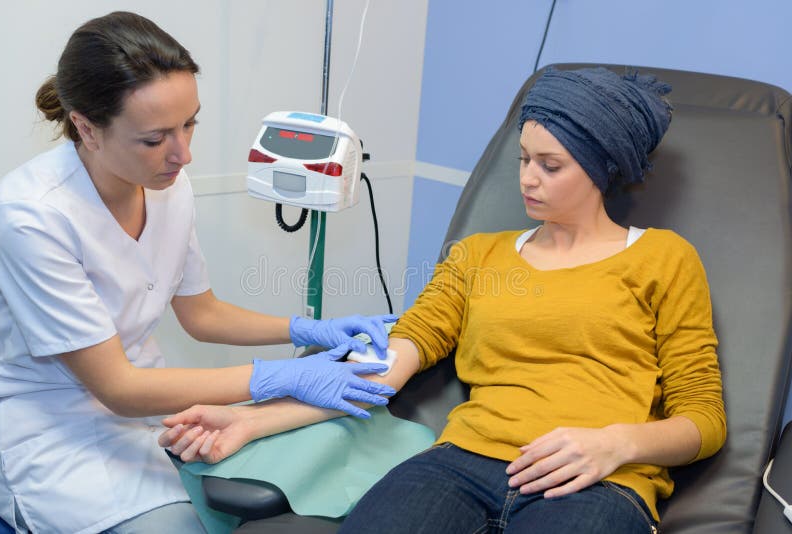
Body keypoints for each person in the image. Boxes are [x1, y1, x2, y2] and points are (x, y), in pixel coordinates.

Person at [160, 67, 726, 533]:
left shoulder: (663, 259)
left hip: (595, 481)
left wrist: (614, 446)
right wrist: (252, 422)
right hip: (463, 462)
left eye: (550, 166)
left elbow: (703, 419)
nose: (528, 179)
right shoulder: (477, 255)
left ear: (605, 168)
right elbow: (383, 368)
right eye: (524, 159)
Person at [0, 11, 398, 534]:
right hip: (54, 429)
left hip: (152, 406)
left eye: (190, 124)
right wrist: (282, 376)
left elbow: (201, 314)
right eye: (155, 138)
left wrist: (305, 330)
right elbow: (116, 386)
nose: (183, 153)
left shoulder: (168, 186)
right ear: (86, 128)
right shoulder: (31, 216)